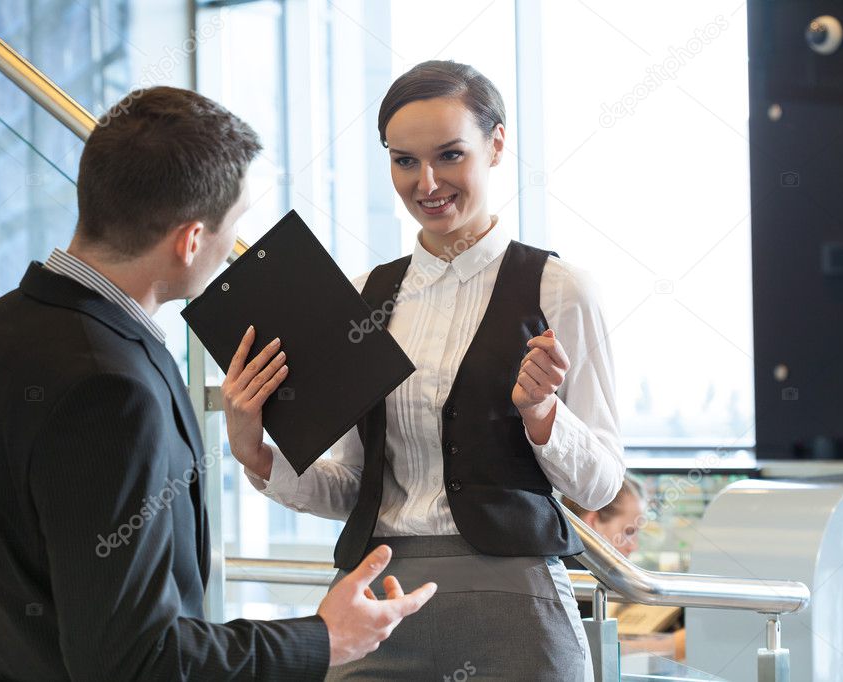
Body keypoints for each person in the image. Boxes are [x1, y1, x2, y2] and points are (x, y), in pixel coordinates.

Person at [0, 86, 435, 682]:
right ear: (191, 239)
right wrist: (323, 639)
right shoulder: (111, 389)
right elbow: (134, 660)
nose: (235, 249)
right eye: (236, 223)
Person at [223, 61, 625, 681]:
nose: (427, 182)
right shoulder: (360, 299)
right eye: (404, 160)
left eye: (450, 155)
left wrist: (544, 416)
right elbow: (356, 487)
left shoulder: (560, 288)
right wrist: (257, 456)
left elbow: (600, 486)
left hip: (513, 604)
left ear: (496, 145)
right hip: (375, 601)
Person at [563, 477, 687, 660]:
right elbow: (585, 652)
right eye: (629, 532)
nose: (633, 546)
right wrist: (674, 645)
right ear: (593, 521)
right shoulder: (578, 579)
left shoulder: (572, 565)